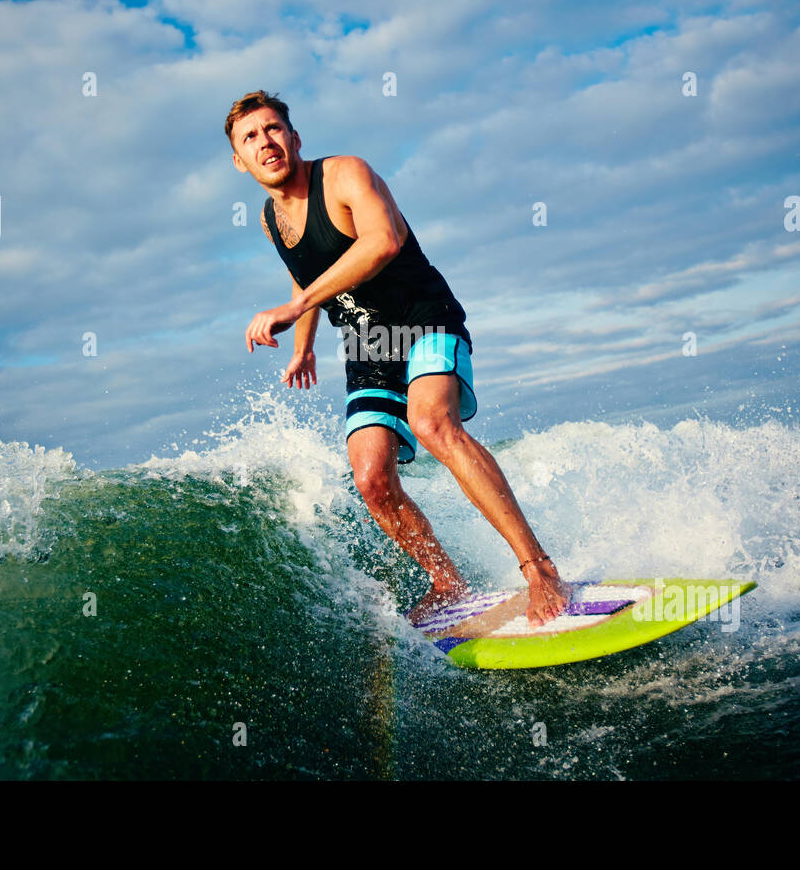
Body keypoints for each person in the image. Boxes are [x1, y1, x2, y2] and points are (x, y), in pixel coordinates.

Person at [226, 90, 569, 626]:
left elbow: (384, 241)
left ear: (294, 138)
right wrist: (302, 347)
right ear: (238, 159)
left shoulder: (343, 175)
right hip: (367, 344)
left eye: (273, 130)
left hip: (423, 316)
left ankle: (540, 569)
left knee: (433, 424)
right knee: (371, 479)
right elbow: (304, 271)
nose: (264, 142)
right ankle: (448, 583)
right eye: (250, 137)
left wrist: (297, 307)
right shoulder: (272, 219)